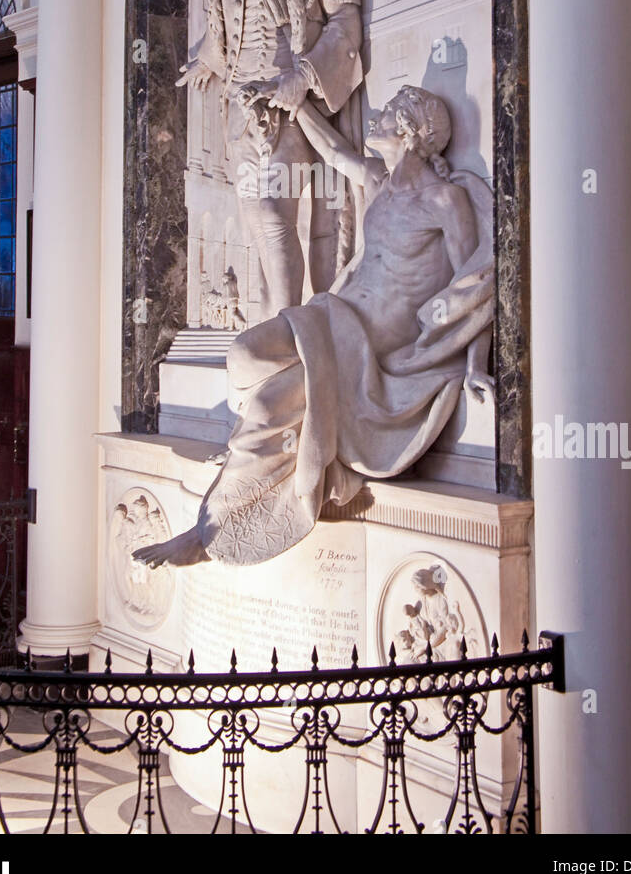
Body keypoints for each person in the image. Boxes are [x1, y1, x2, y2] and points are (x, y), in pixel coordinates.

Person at [134, 86, 495, 569]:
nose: (377, 117)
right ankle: (255, 461)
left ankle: (210, 531)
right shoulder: (377, 181)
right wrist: (297, 102)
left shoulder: (444, 200)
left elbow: (472, 288)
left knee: (267, 401)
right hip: (335, 313)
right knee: (243, 353)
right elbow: (333, 151)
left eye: (389, 113)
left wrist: (474, 362)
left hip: (372, 344)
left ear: (409, 132)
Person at [177, 0, 363, 315]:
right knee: (255, 222)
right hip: (239, 105)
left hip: (294, 101)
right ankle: (276, 323)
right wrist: (207, 58)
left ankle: (288, 326)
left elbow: (345, 19)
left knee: (271, 211)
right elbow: (224, 20)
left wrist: (302, 77)